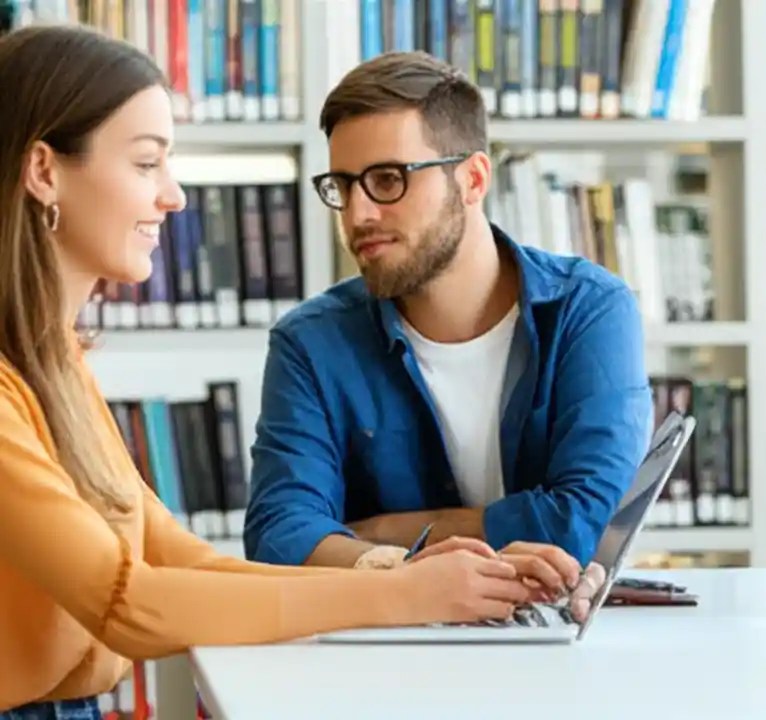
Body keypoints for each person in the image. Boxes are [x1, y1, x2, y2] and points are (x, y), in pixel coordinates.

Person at [0, 26, 603, 719]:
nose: (174, 197)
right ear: (44, 171)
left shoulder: (55, 365)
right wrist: (402, 596)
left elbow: (172, 555)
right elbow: (127, 602)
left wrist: (403, 571)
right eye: (146, 164)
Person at [241, 50, 652, 572]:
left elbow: (584, 524)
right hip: (389, 641)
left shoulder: (588, 311)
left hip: (558, 638)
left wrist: (387, 534)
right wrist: (419, 574)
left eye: (387, 179)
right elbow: (280, 535)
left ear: (473, 180)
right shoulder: (311, 343)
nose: (358, 213)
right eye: (342, 186)